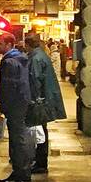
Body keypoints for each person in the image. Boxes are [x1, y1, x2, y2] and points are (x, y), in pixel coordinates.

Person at [0, 33, 36, 182]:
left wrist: (3, 106)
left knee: (17, 140)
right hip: (20, 104)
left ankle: (23, 175)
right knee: (17, 138)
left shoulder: (10, 62)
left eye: (0, 43)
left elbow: (10, 87)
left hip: (15, 105)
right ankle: (18, 172)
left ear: (8, 45)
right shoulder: (19, 58)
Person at [25, 34, 67, 174]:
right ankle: (40, 161)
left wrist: (32, 100)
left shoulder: (36, 59)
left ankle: (41, 163)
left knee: (40, 132)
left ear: (28, 45)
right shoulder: (41, 55)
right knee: (41, 130)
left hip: (40, 102)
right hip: (45, 99)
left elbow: (35, 81)